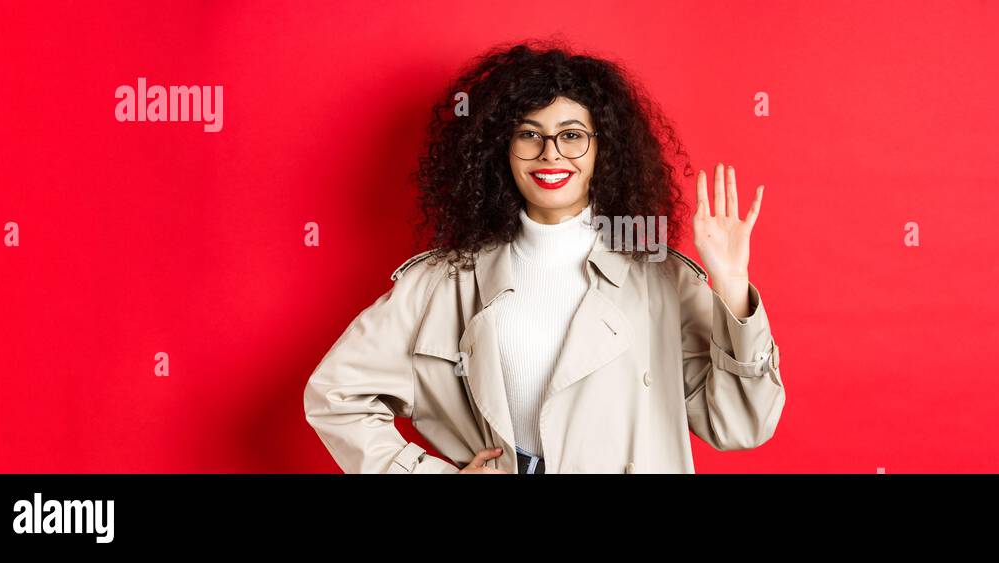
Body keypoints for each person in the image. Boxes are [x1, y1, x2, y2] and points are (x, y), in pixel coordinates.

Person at [303, 40, 784, 474]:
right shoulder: (441, 282)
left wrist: (731, 285)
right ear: (502, 149)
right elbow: (335, 396)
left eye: (572, 135)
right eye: (529, 134)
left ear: (603, 150)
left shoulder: (664, 279)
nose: (550, 154)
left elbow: (741, 426)